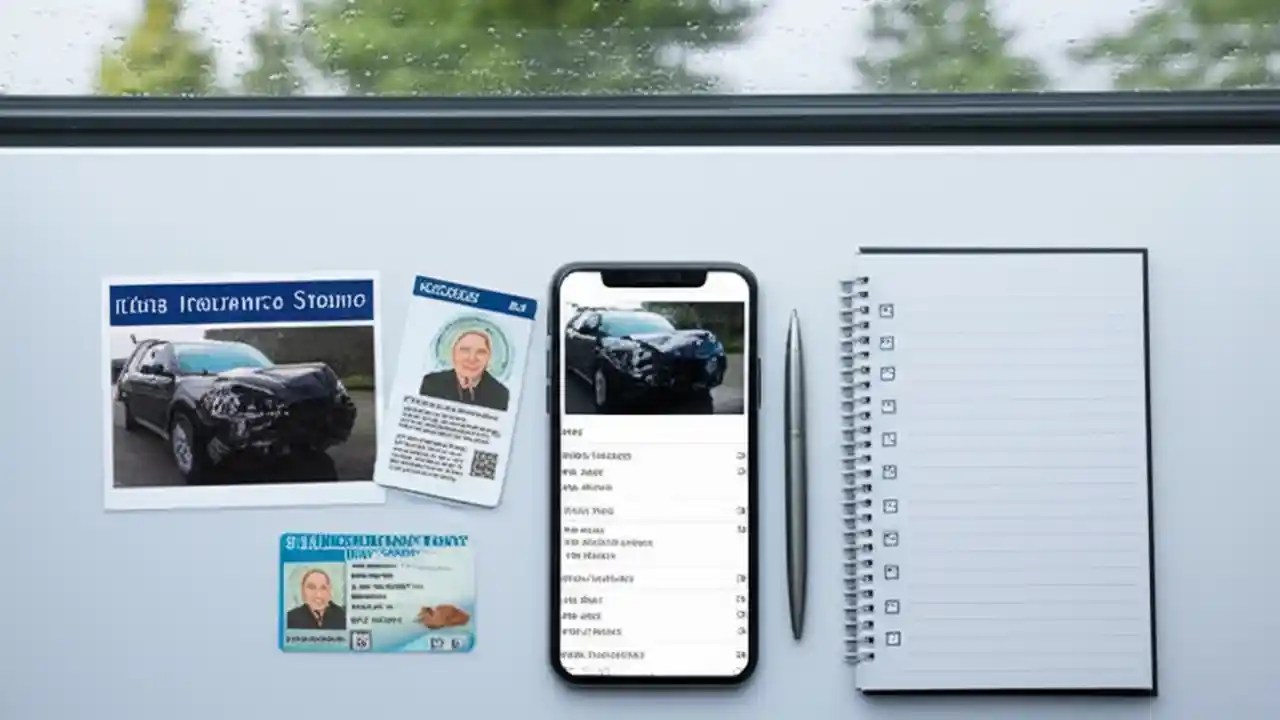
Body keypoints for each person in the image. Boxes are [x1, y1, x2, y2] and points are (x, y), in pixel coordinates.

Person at [419, 329, 510, 411]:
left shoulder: (500, 394)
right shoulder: (432, 383)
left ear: (488, 358)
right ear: (453, 354)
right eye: (465, 350)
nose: (472, 358)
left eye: (481, 352)